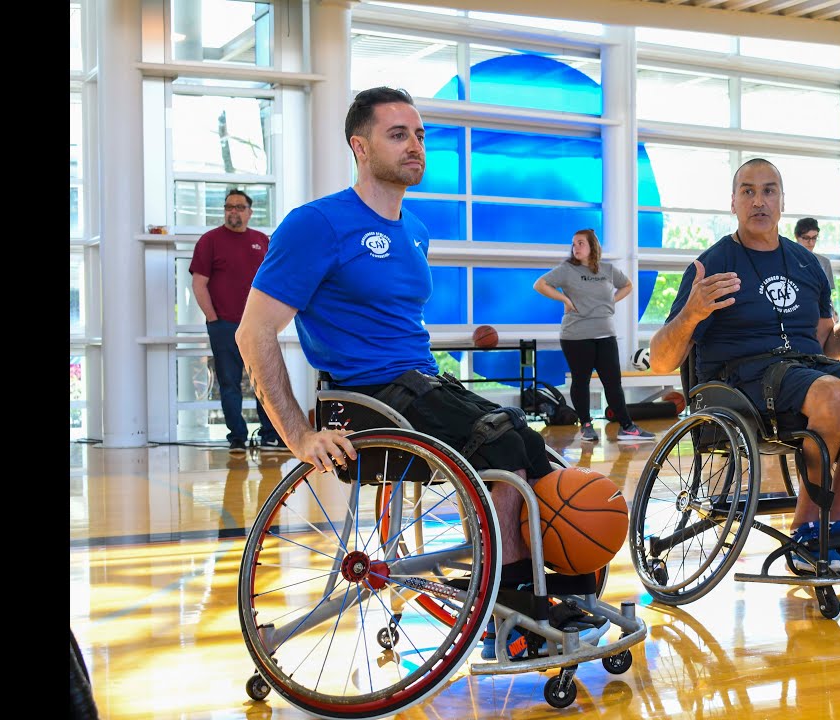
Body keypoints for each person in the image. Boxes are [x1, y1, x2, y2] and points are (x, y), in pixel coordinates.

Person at [235, 88, 606, 650]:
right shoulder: (316, 224)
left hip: (420, 383)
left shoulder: (416, 230)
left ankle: (564, 589)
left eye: (420, 134)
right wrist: (298, 435)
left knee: (535, 450)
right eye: (397, 134)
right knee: (500, 443)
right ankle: (508, 609)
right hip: (366, 400)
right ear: (360, 147)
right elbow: (254, 332)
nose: (415, 144)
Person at [650, 157, 840, 575]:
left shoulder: (809, 265)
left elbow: (832, 347)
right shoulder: (712, 264)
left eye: (768, 190)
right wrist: (691, 313)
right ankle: (807, 530)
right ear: (732, 203)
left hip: (806, 369)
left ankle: (835, 524)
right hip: (742, 381)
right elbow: (662, 359)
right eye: (747, 191)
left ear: (782, 202)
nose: (758, 200)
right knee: (831, 392)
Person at [533, 229, 655, 443]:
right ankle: (586, 425)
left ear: (592, 246)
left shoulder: (607, 270)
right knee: (581, 381)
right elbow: (540, 284)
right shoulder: (567, 270)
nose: (575, 247)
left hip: (606, 334)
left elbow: (627, 285)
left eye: (580, 243)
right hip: (576, 335)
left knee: (613, 382)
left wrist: (610, 302)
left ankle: (626, 426)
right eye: (573, 244)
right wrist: (565, 300)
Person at [189, 189, 285, 454]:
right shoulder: (209, 241)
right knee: (229, 384)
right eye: (229, 207)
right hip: (225, 326)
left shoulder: (261, 241)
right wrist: (213, 319)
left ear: (249, 212)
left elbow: (273, 281)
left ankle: (269, 436)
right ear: (224, 211)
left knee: (264, 381)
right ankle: (237, 438)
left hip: (257, 326)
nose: (234, 211)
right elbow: (199, 284)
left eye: (240, 207)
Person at [793, 217, 836, 319]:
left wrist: (833, 312)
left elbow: (827, 295)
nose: (811, 243)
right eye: (806, 238)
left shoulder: (824, 262)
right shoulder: (787, 260)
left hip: (819, 313)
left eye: (814, 238)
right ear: (797, 237)